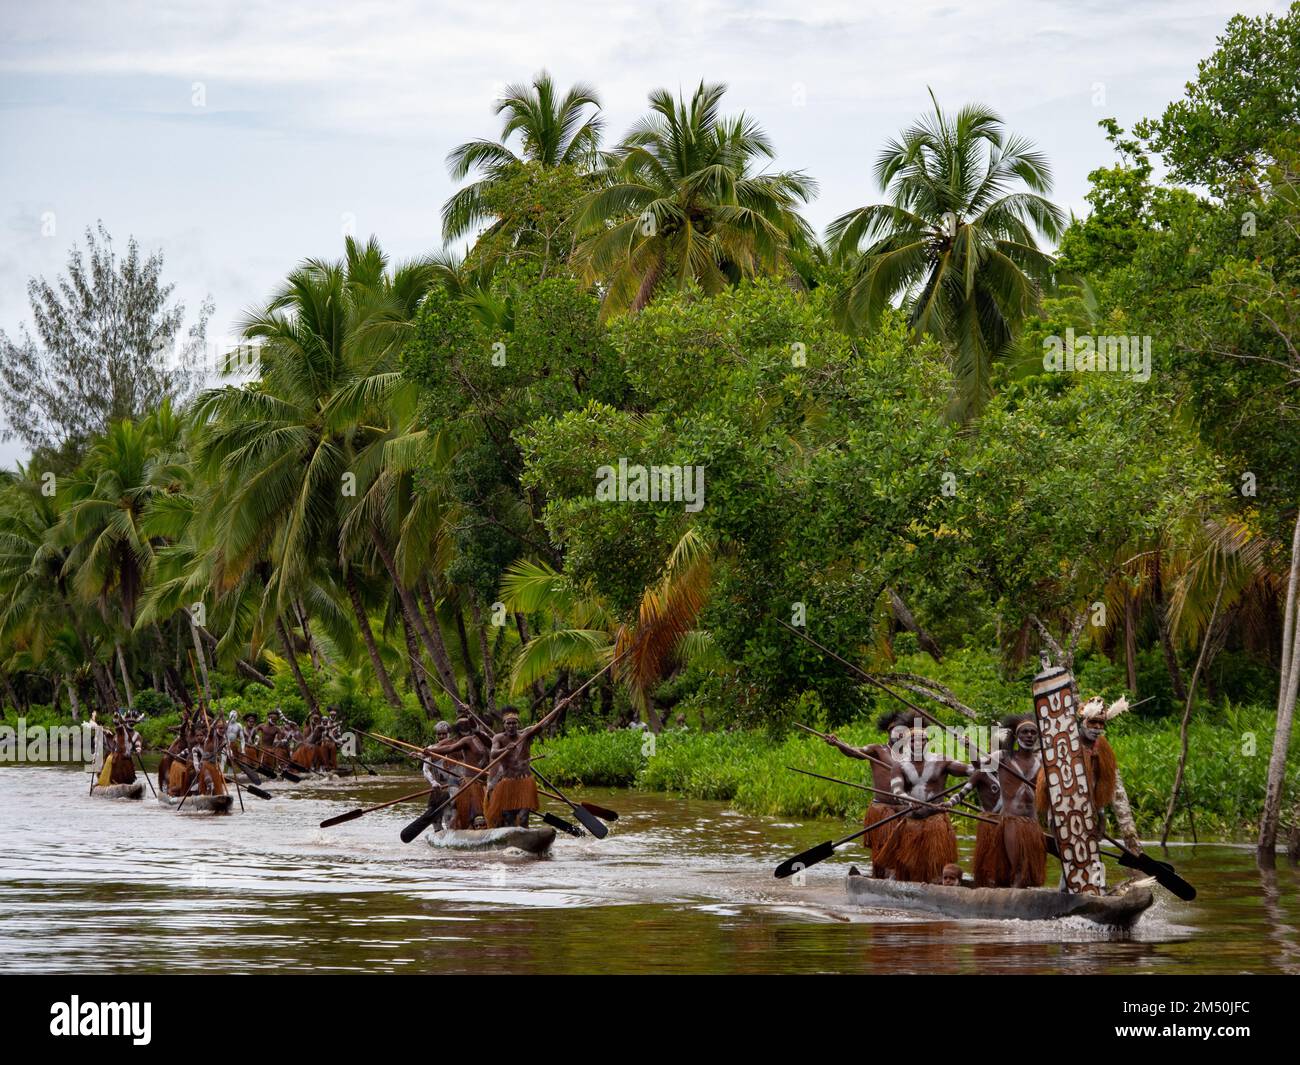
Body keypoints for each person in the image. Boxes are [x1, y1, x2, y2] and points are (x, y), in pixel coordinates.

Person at [874, 727, 973, 883]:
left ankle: (939, 888)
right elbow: (897, 790)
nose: (918, 743)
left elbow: (974, 771)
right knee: (905, 869)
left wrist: (971, 748)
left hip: (936, 824)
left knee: (937, 869)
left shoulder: (942, 761)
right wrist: (909, 800)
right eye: (913, 740)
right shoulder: (898, 766)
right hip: (911, 824)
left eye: (922, 740)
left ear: (928, 743)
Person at [822, 711, 911, 878]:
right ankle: (882, 878)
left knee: (907, 850)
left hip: (905, 809)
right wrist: (838, 743)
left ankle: (904, 878)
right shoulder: (877, 750)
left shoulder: (913, 754)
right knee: (884, 850)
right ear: (888, 731)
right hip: (883, 810)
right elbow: (854, 752)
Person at [973, 716, 1045, 888]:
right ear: (1016, 735)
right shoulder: (1003, 757)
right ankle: (1011, 901)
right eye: (1024, 732)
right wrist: (970, 747)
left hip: (1033, 823)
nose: (1029, 735)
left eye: (1033, 732)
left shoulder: (1042, 761)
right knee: (1018, 869)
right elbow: (979, 765)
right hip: (1012, 822)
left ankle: (1023, 900)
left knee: (1031, 874)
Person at [486, 702, 567, 827]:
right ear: (504, 725)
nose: (511, 726)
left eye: (514, 723)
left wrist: (559, 708)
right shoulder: (499, 738)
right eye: (509, 723)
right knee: (508, 818)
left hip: (525, 782)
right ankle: (512, 841)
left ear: (518, 724)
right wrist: (505, 749)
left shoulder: (526, 734)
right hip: (508, 783)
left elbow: (546, 723)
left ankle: (526, 839)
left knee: (523, 818)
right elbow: (493, 754)